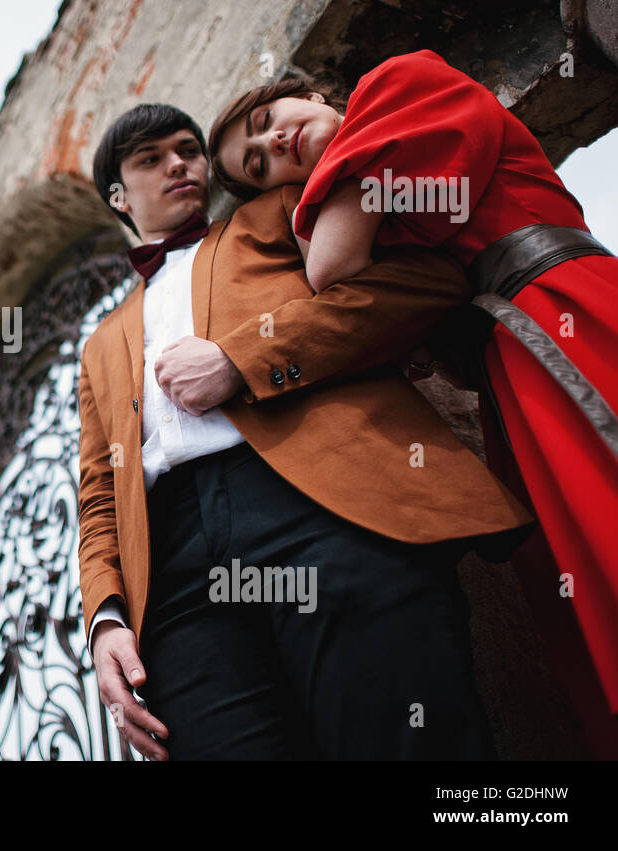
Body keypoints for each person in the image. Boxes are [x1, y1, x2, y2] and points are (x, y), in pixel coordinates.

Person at [78, 102, 534, 760]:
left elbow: (422, 283)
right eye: (151, 158)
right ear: (118, 196)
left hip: (318, 504)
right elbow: (97, 490)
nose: (179, 163)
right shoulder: (98, 344)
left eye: (187, 149)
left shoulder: (277, 213)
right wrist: (105, 617)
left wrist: (244, 359)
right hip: (172, 572)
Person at [207, 48, 618, 758]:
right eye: (259, 167)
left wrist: (314, 221)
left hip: (559, 308)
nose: (272, 144)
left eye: (266, 120)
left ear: (309, 92)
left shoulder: (398, 84)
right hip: (509, 369)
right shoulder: (378, 205)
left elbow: (330, 266)